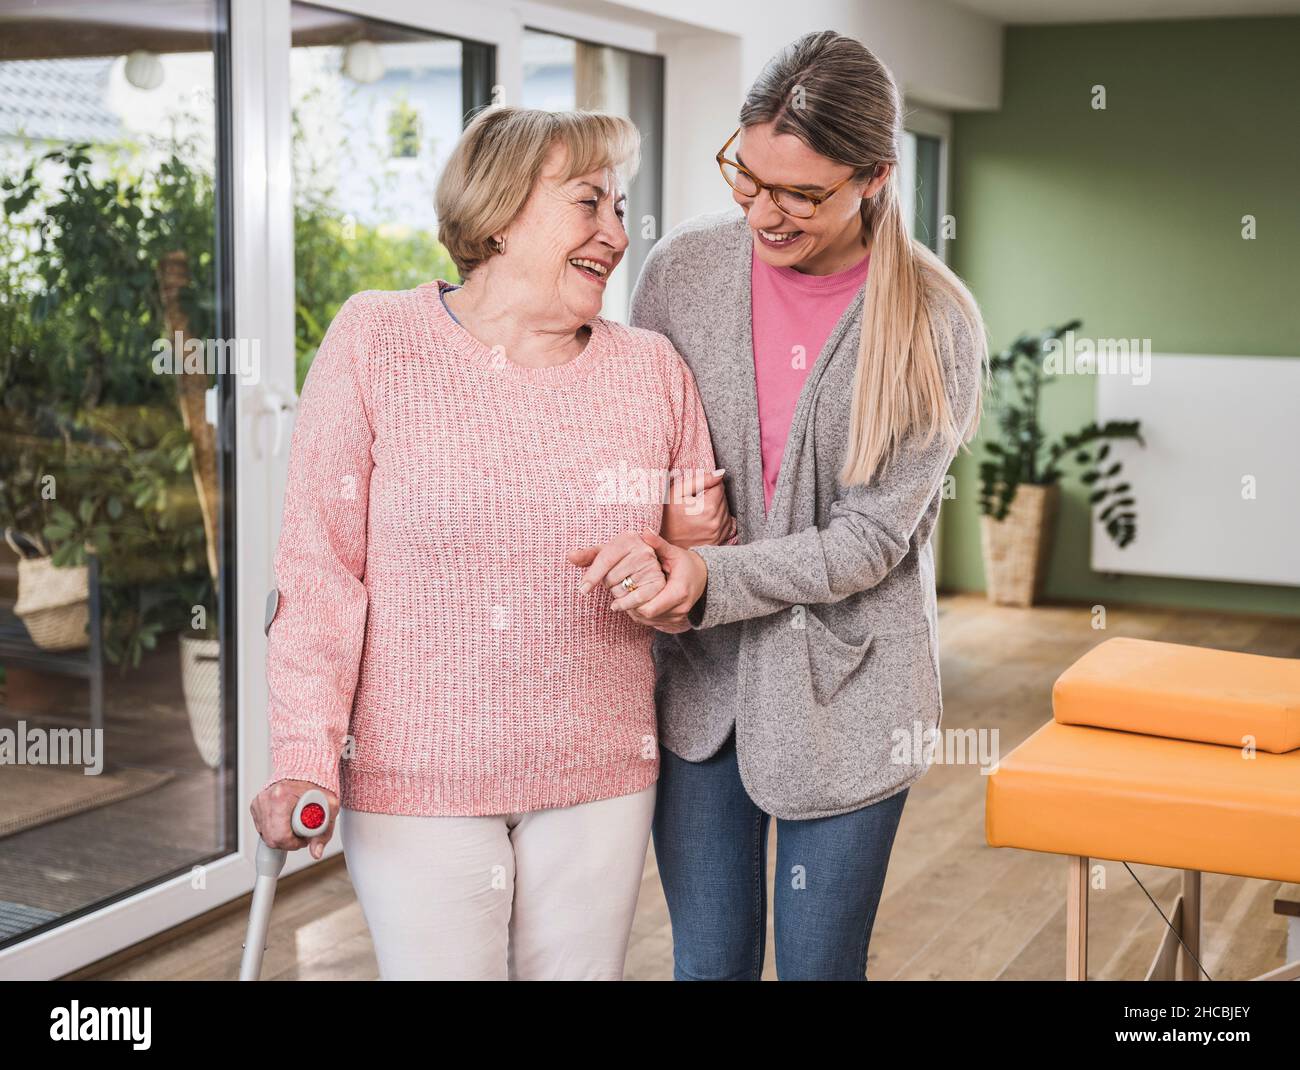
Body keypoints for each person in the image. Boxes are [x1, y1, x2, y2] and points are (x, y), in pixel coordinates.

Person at [250, 105, 732, 980]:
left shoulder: (651, 369)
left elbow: (701, 580)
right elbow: (320, 574)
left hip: (599, 774)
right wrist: (304, 758)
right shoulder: (376, 340)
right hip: (417, 780)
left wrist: (681, 565)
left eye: (620, 209)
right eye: (590, 203)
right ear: (502, 211)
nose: (616, 234)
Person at [580, 30, 989, 980]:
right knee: (709, 964)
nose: (764, 212)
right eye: (748, 176)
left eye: (801, 194)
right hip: (703, 692)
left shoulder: (932, 323)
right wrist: (660, 531)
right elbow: (640, 442)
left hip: (849, 696)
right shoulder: (682, 271)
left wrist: (706, 571)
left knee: (817, 968)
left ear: (874, 177)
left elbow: (869, 541)